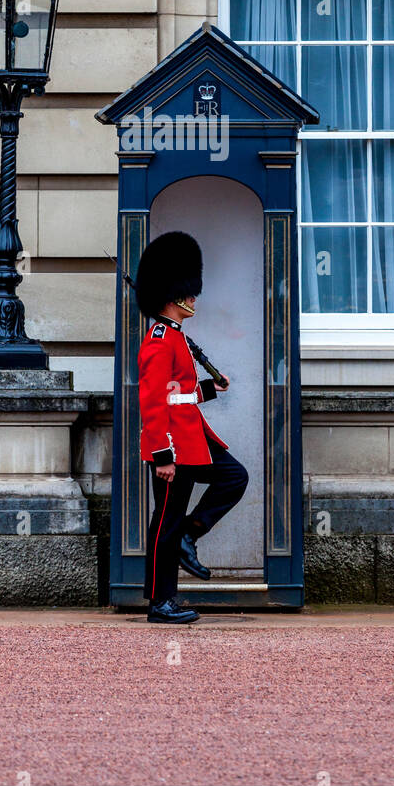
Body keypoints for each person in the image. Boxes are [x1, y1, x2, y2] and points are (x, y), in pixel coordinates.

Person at [135, 230, 249, 624]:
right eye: (190, 292)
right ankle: (160, 602)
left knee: (234, 477)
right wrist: (163, 455)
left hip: (192, 440)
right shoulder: (159, 339)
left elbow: (175, 396)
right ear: (175, 294)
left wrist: (208, 389)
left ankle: (190, 534)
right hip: (172, 447)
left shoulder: (177, 339)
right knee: (164, 523)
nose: (195, 298)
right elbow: (152, 404)